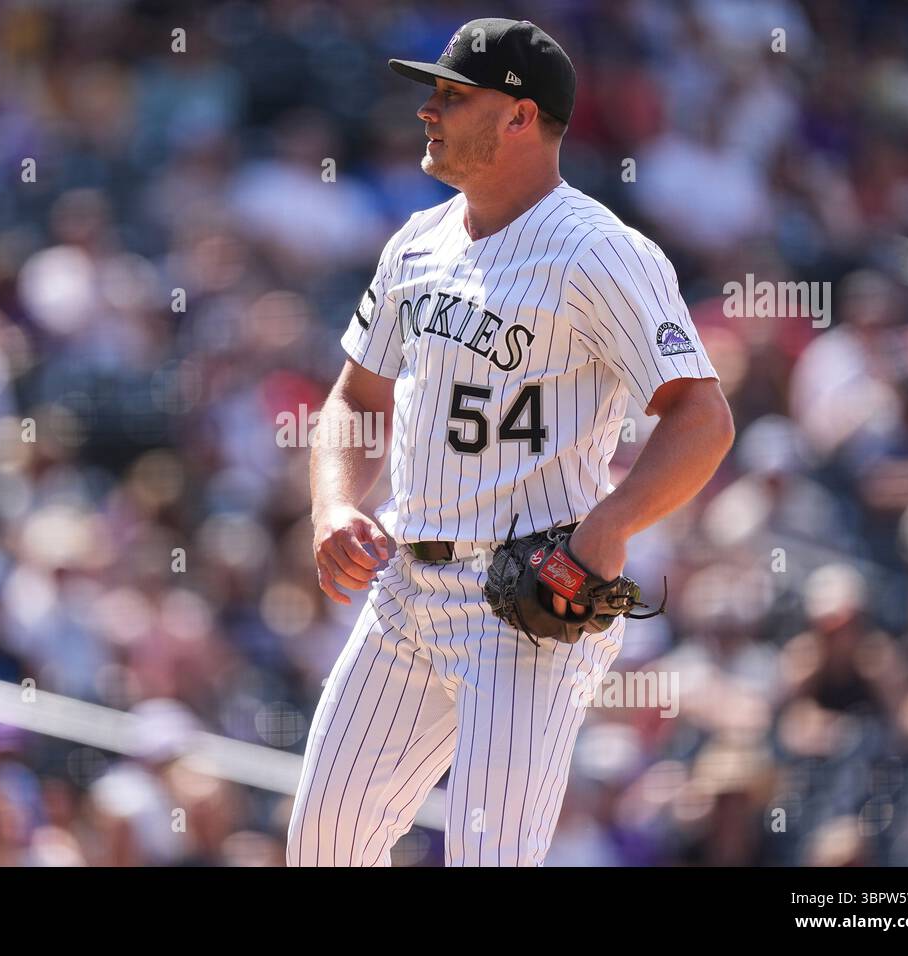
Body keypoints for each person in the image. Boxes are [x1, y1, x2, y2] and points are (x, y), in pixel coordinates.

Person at [287, 18, 735, 866]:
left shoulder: (599, 250)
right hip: (404, 589)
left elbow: (702, 418)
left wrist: (607, 528)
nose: (429, 110)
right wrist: (334, 503)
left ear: (520, 117)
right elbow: (355, 395)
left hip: (524, 596)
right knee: (322, 846)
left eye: (456, 95)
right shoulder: (416, 242)